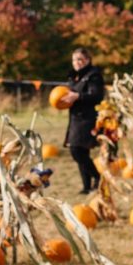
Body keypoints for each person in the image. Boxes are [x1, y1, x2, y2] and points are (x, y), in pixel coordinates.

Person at [58, 47, 106, 194]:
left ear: (87, 60)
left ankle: (98, 178)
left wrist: (78, 96)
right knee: (81, 152)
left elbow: (97, 95)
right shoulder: (75, 76)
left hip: (88, 118)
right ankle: (87, 186)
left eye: (80, 59)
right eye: (74, 59)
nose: (76, 62)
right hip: (75, 118)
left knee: (76, 151)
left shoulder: (94, 75)